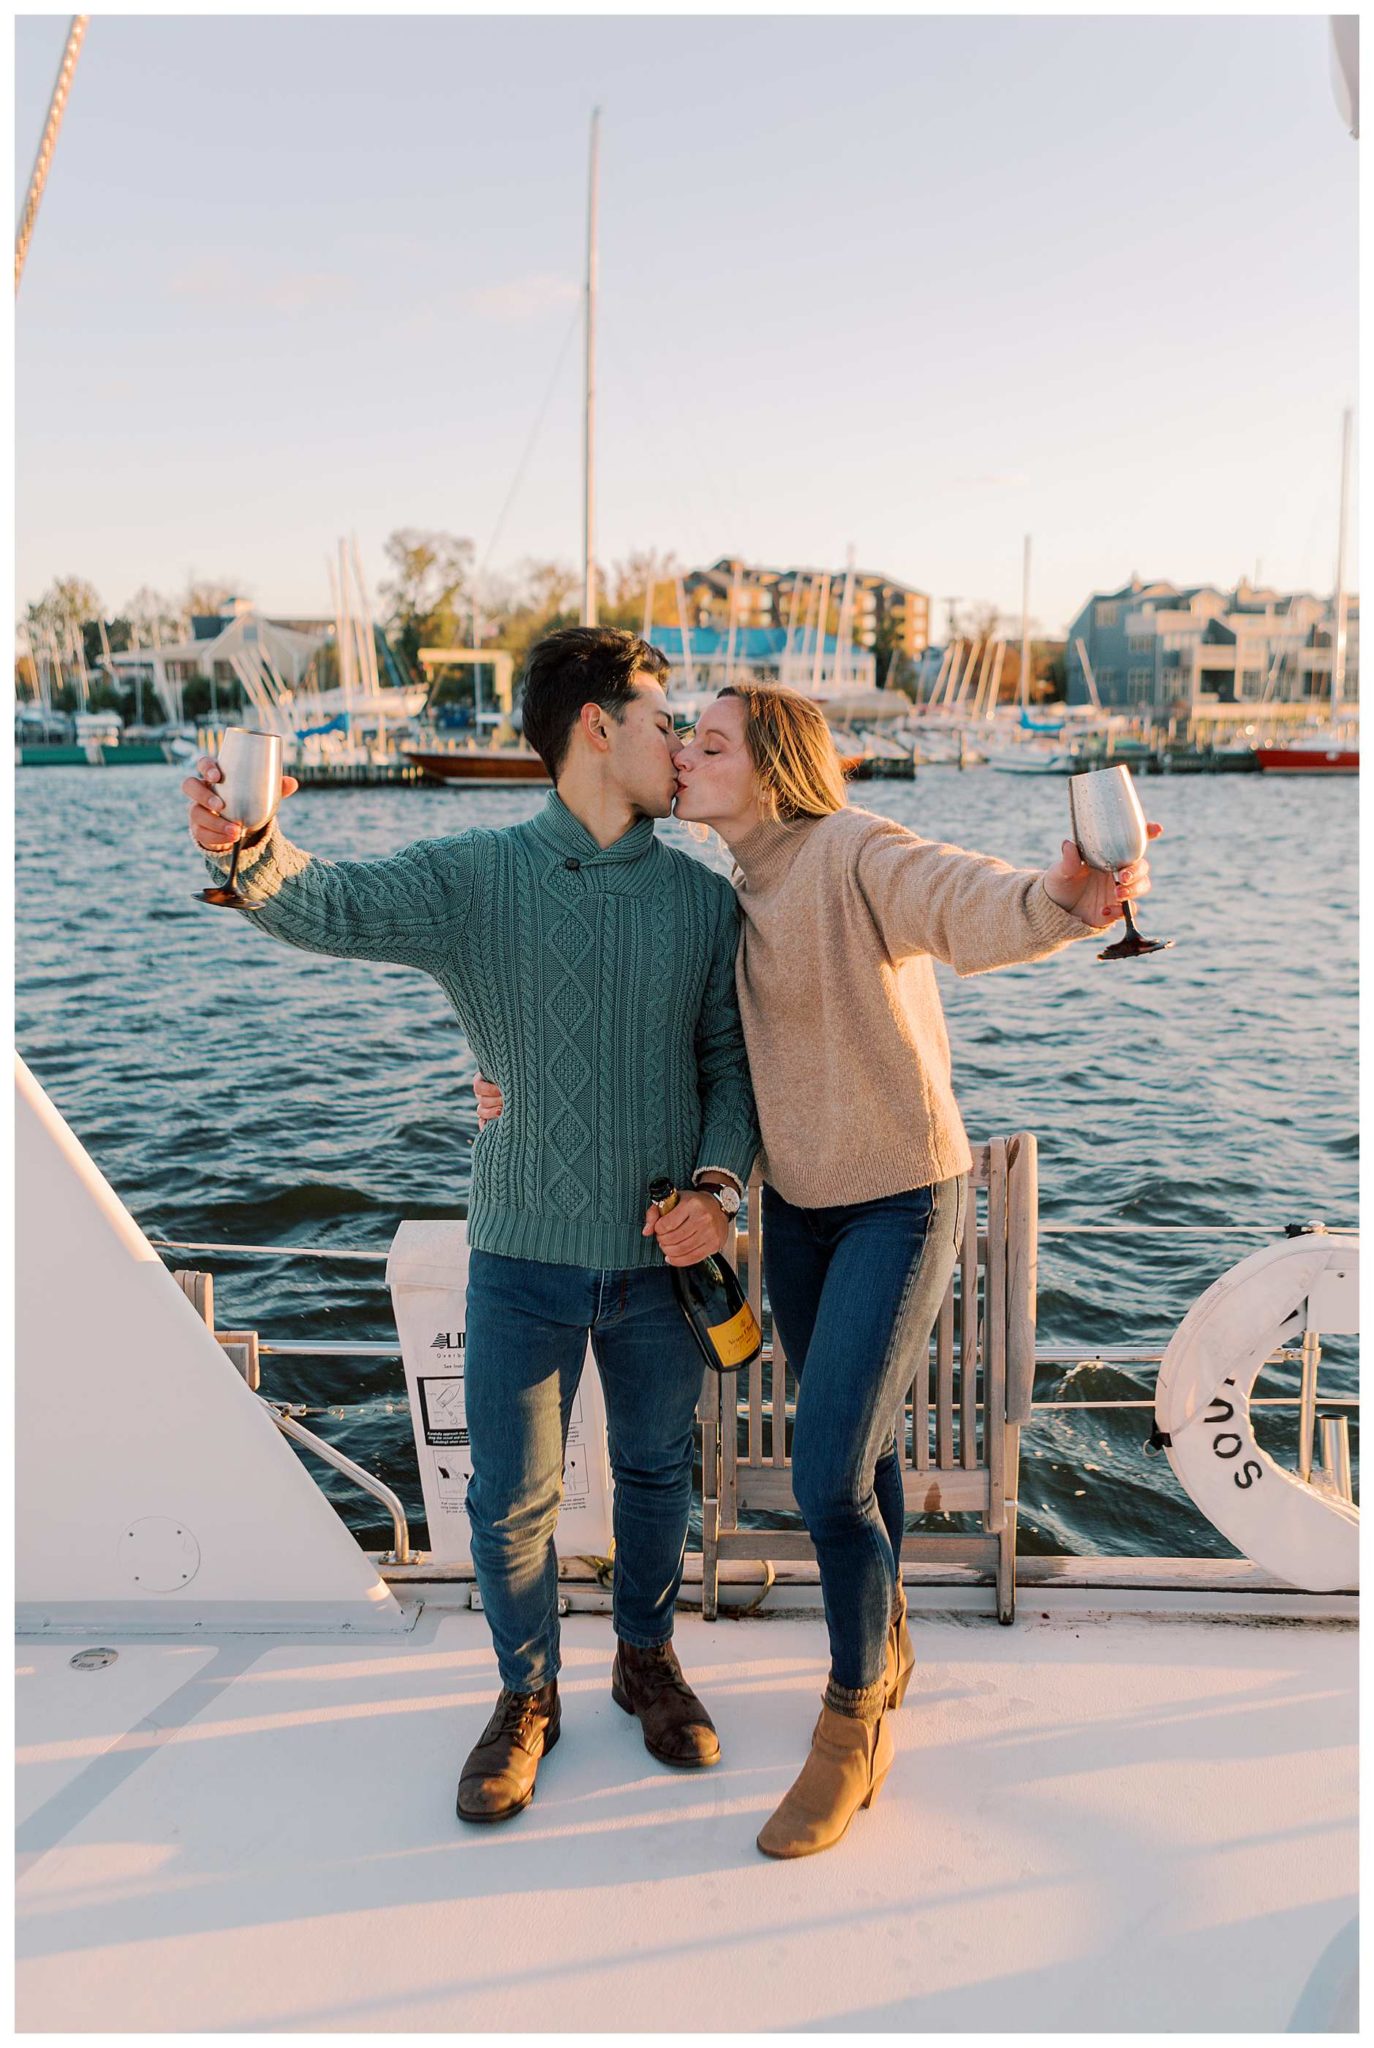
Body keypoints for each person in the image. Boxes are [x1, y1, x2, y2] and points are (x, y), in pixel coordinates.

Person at [476, 681, 1160, 1861]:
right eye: (682, 736)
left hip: (902, 1193)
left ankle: (853, 1721)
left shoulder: (850, 850)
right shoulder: (727, 901)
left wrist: (1059, 898)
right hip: (798, 1213)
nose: (685, 753)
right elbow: (665, 1045)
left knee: (827, 1467)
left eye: (713, 741)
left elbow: (961, 902)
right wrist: (505, 1084)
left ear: (775, 765)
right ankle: (884, 1637)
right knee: (870, 1448)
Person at [184, 627, 759, 1824]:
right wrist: (250, 850)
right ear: (597, 727)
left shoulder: (707, 901)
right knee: (509, 1498)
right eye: (662, 721)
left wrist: (717, 1185)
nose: (677, 745)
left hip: (666, 1264)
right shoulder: (475, 876)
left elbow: (728, 1064)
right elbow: (329, 902)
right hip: (519, 1253)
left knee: (657, 1474)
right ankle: (526, 1695)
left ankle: (645, 1660)